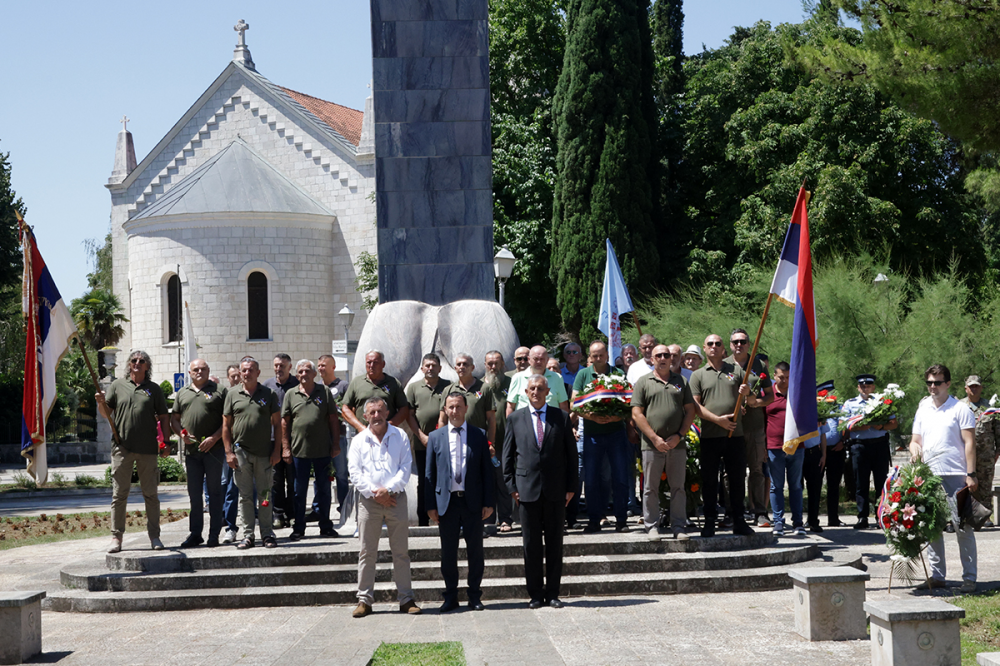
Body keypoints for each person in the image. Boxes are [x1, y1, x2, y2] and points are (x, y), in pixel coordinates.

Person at [503, 375, 578, 609]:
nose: (536, 392)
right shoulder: (515, 419)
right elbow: (507, 457)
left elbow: (572, 457)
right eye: (532, 388)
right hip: (526, 492)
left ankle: (553, 593)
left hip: (556, 491)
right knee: (531, 545)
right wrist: (512, 488)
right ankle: (535, 594)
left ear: (548, 392)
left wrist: (571, 488)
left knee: (555, 544)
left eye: (540, 388)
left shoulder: (561, 418)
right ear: (526, 392)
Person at [349, 397, 421, 618]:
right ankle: (364, 600)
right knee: (366, 552)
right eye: (372, 412)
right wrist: (375, 494)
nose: (376, 416)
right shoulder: (359, 440)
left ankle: (406, 599)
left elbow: (405, 468)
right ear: (365, 416)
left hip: (396, 499)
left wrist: (387, 491)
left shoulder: (399, 436)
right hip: (368, 503)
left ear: (387, 412)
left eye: (380, 411)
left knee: (400, 552)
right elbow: (354, 472)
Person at [909, 364, 978, 593]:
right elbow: (915, 439)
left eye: (937, 382)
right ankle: (938, 576)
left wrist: (970, 474)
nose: (932, 387)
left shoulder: (960, 409)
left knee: (962, 527)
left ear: (948, 383)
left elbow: (970, 443)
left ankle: (969, 578)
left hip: (955, 474)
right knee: (932, 527)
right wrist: (914, 450)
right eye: (929, 382)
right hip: (929, 475)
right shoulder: (923, 409)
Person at [426, 393, 495, 612]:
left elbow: (487, 472)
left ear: (466, 408)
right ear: (445, 410)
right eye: (450, 407)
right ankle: (450, 596)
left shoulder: (478, 435)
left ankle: (474, 595)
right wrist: (430, 505)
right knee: (448, 553)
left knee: (475, 551)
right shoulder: (435, 437)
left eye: (458, 407)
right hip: (447, 504)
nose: (454, 411)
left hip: (472, 502)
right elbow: (429, 474)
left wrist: (489, 502)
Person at [95, 350, 170, 553]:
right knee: (119, 495)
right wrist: (101, 402)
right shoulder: (118, 386)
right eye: (134, 360)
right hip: (122, 448)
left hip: (147, 449)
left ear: (147, 366)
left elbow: (164, 416)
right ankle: (116, 538)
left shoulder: (153, 389)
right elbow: (106, 413)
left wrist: (167, 442)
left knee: (151, 495)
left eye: (142, 361)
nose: (137, 363)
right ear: (129, 365)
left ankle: (155, 537)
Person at [689, 334, 755, 537]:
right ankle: (709, 521)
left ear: (723, 348)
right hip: (710, 436)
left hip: (735, 435)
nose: (714, 347)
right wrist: (718, 420)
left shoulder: (736, 371)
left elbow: (751, 401)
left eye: (718, 344)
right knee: (709, 480)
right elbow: (695, 406)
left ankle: (739, 520)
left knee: (736, 479)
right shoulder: (698, 375)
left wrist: (748, 393)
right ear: (705, 348)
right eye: (710, 344)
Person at [632, 345, 696, 539]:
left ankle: (678, 526)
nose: (662, 358)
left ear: (672, 359)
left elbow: (690, 410)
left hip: (677, 444)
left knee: (678, 487)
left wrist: (679, 435)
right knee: (650, 487)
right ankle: (652, 526)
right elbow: (636, 413)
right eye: (658, 355)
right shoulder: (643, 382)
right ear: (651, 359)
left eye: (666, 355)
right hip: (652, 445)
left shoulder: (681, 381)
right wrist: (654, 438)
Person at [571, 341, 632, 534]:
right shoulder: (583, 375)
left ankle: (621, 519)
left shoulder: (618, 374)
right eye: (594, 356)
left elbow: (628, 401)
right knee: (591, 479)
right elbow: (575, 403)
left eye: (601, 355)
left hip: (616, 433)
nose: (598, 359)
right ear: (589, 357)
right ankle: (594, 520)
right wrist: (594, 417)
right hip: (592, 435)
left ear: (607, 354)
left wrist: (616, 416)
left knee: (620, 477)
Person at [223, 356, 282, 549]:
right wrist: (228, 452)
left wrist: (277, 450)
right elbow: (226, 426)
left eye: (251, 370)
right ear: (240, 373)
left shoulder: (269, 394)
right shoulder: (232, 394)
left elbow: (277, 424)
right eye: (244, 370)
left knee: (264, 495)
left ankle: (267, 534)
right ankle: (248, 535)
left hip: (264, 454)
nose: (247, 373)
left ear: (258, 373)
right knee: (245, 496)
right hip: (240, 453)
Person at [171, 358, 227, 548]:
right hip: (192, 452)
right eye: (196, 369)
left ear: (208, 370)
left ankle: (214, 535)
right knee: (195, 495)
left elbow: (228, 421)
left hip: (214, 451)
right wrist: (182, 435)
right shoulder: (182, 393)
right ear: (190, 373)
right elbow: (175, 420)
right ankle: (195, 534)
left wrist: (214, 438)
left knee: (215, 493)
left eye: (203, 369)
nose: (199, 372)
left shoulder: (220, 391)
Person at [282, 359, 340, 540]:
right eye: (300, 372)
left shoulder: (324, 392)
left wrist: (336, 444)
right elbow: (285, 422)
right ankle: (298, 527)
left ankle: (326, 526)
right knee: (299, 492)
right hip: (299, 451)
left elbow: (332, 419)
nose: (303, 374)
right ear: (297, 375)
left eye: (307, 371)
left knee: (324, 490)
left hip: (322, 451)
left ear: (314, 374)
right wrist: (285, 448)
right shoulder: (291, 394)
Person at [725, 328, 773, 528]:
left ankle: (760, 511)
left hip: (754, 427)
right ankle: (731, 511)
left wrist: (755, 402)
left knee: (756, 470)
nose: (739, 345)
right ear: (730, 344)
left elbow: (770, 396)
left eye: (743, 341)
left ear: (748, 344)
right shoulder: (723, 364)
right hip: (731, 427)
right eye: (735, 341)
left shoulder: (758, 364)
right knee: (730, 473)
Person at [842, 373, 898, 529]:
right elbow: (843, 424)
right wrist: (860, 427)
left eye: (868, 385)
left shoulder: (883, 403)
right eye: (862, 386)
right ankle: (862, 517)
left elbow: (893, 424)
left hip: (879, 445)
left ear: (873, 387)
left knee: (881, 482)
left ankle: (881, 515)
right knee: (861, 483)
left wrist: (881, 426)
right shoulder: (850, 404)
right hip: (859, 446)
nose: (865, 388)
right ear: (858, 387)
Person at [405, 353, 452, 527]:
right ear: (422, 368)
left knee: (445, 479)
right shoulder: (413, 388)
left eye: (434, 365)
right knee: (425, 481)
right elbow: (409, 415)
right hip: (422, 443)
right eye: (427, 365)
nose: (430, 368)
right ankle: (423, 520)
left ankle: (445, 517)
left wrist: (439, 437)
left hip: (445, 444)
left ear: (440, 368)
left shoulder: (448, 387)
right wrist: (422, 436)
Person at [763, 362, 805, 536]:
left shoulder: (797, 393)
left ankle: (798, 523)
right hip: (774, 447)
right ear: (775, 375)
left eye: (788, 377)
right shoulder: (767, 395)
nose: (785, 380)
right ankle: (778, 522)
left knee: (795, 486)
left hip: (796, 446)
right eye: (781, 377)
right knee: (776, 486)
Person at [263, 354, 299, 530]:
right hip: (272, 440)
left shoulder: (298, 385)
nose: (279, 369)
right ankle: (278, 515)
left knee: (293, 480)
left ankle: (292, 515)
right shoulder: (267, 386)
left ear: (289, 367)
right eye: (276, 365)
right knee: (276, 481)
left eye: (282, 366)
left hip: (294, 440)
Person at [341, 350, 410, 432]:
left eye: (375, 362)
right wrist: (360, 427)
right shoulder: (357, 382)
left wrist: (389, 425)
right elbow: (345, 409)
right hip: (363, 436)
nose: (371, 366)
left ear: (383, 364)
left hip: (387, 435)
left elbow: (404, 409)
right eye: (369, 362)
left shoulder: (393, 383)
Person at [484, 350, 514, 532]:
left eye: (497, 363)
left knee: (503, 481)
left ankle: (505, 519)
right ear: (485, 365)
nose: (493, 367)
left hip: (505, 442)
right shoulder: (479, 386)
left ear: (503, 364)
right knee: (487, 482)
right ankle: (488, 519)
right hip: (484, 444)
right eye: (490, 363)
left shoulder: (511, 384)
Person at [317, 354, 350, 513]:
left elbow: (349, 409)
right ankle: (319, 509)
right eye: (319, 366)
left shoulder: (343, 386)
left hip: (340, 436)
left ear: (333, 367)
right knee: (320, 475)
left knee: (341, 473)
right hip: (320, 438)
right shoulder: (316, 387)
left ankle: (344, 506)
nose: (320, 368)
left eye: (324, 365)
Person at [506, 346, 570, 416]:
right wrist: (510, 425)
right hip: (524, 423)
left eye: (542, 359)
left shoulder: (557, 377)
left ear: (547, 360)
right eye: (535, 359)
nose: (539, 362)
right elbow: (510, 406)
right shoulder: (518, 378)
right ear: (529, 359)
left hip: (551, 423)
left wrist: (564, 425)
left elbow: (563, 405)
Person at [817, 381, 847, 527]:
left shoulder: (839, 408)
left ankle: (833, 518)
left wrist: (843, 441)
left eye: (831, 393)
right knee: (815, 485)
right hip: (819, 452)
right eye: (826, 394)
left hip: (836, 450)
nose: (830, 396)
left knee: (834, 486)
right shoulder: (816, 409)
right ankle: (812, 518)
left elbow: (845, 425)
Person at [221, 363, 244, 542]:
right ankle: (231, 526)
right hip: (231, 451)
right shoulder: (226, 396)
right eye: (232, 376)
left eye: (238, 375)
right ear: (228, 378)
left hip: (250, 450)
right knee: (231, 490)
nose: (236, 378)